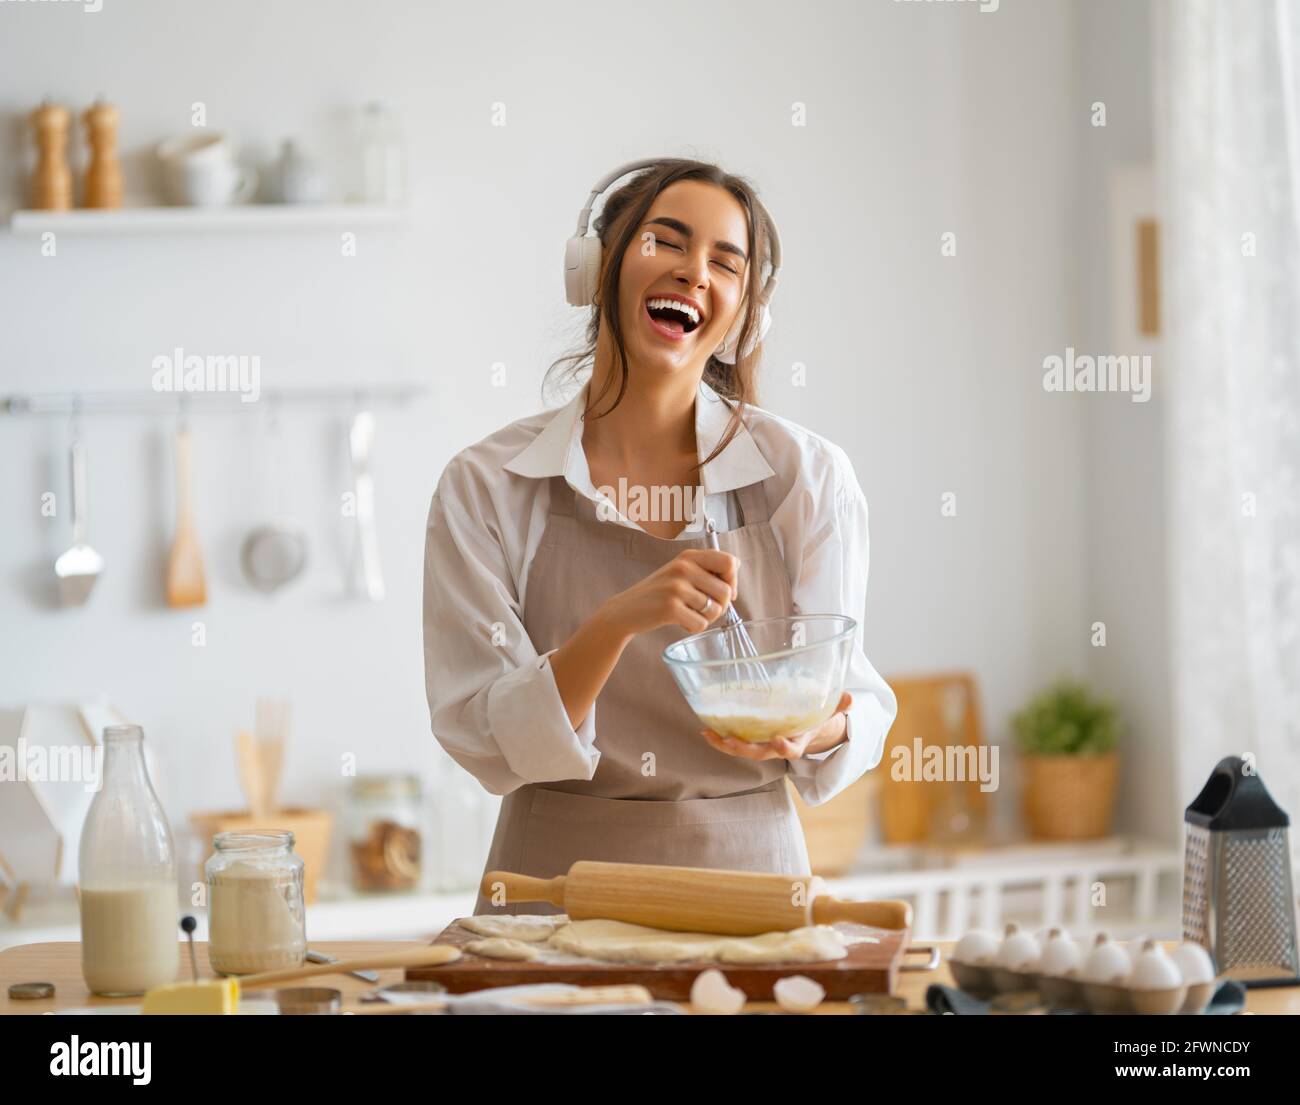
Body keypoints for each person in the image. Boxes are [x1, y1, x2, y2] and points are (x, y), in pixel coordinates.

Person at [422, 158, 897, 914]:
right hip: (550, 896)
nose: (693, 272)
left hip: (754, 892)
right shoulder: (487, 485)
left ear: (746, 312)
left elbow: (857, 697)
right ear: (598, 267)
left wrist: (810, 727)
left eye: (724, 262)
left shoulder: (805, 477)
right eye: (666, 242)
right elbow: (480, 731)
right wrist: (616, 621)